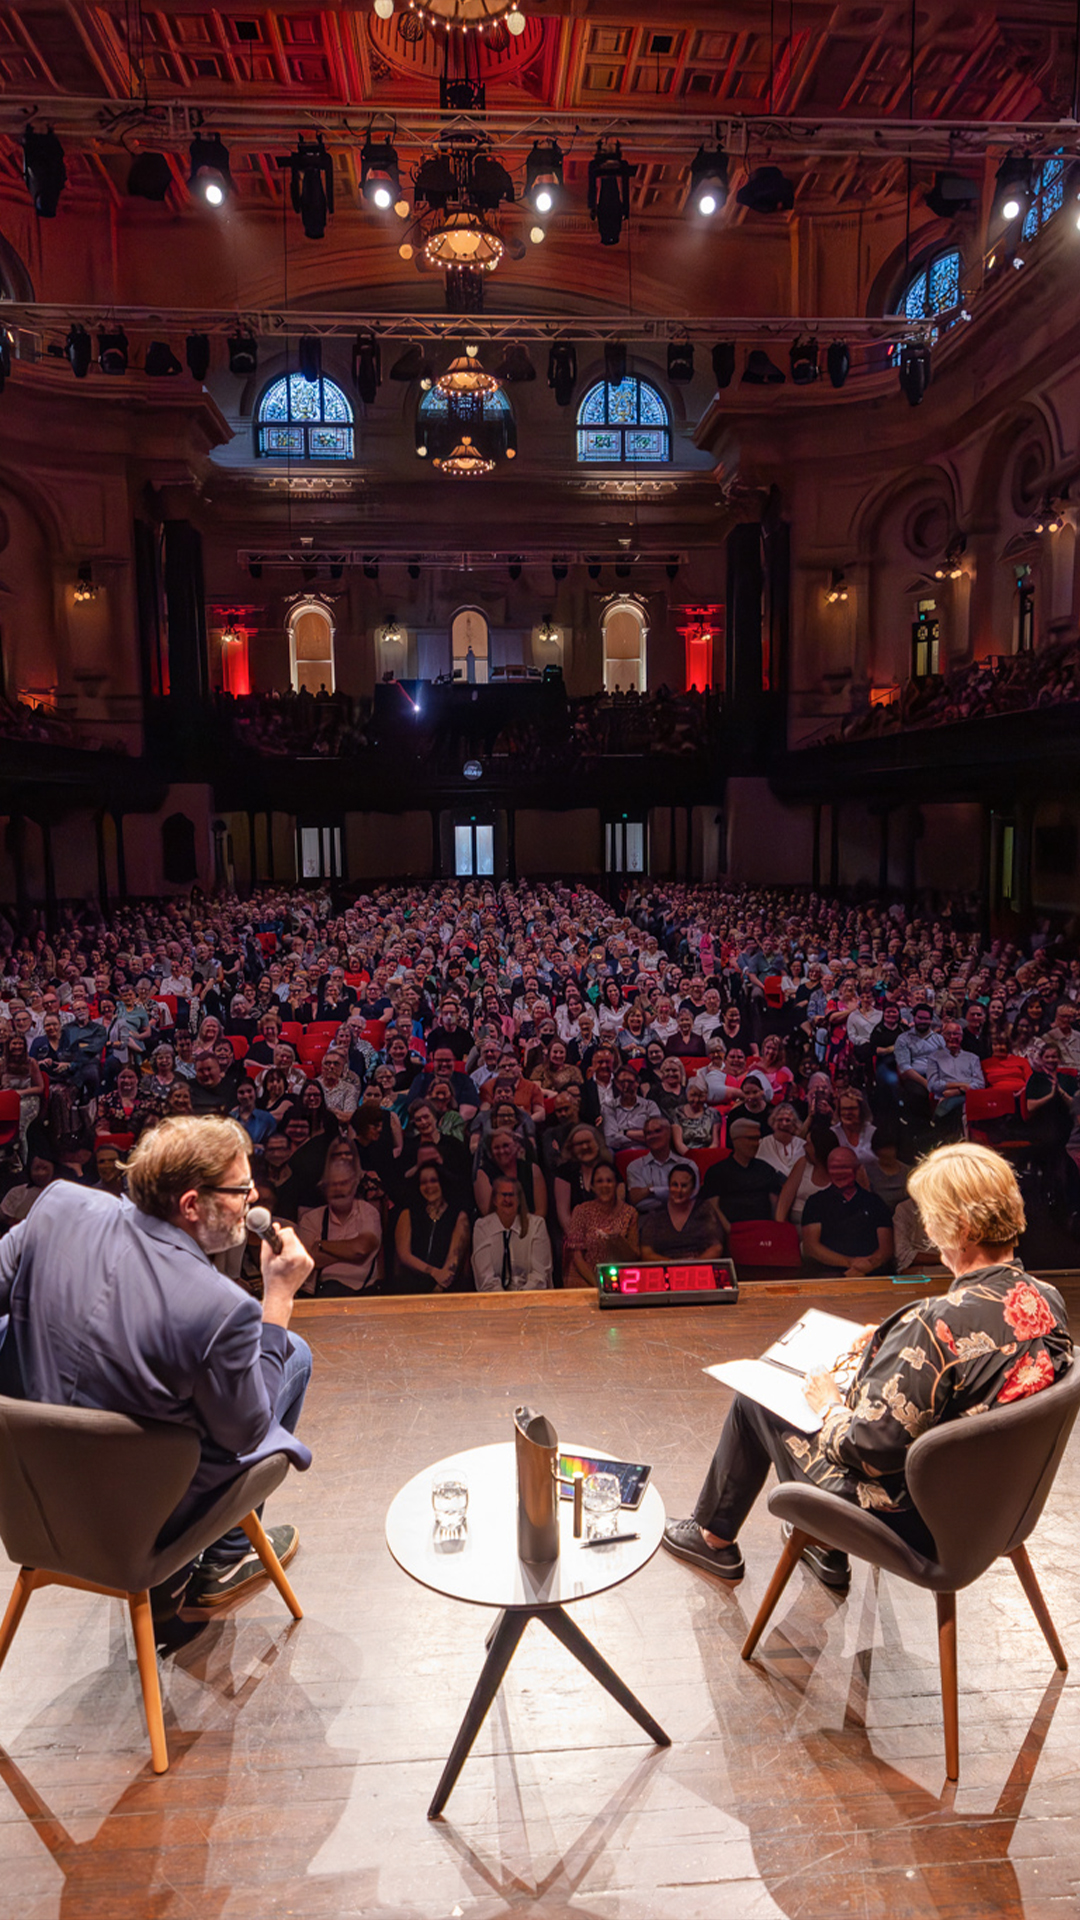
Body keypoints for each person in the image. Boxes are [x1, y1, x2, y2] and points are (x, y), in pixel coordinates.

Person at [662, 1141, 1072, 1588]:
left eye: (930, 1215)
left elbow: (866, 1450)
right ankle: (821, 1547)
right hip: (1000, 1509)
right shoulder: (1045, 1299)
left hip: (915, 1523)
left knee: (755, 1399)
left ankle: (714, 1538)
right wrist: (889, 1340)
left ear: (962, 1227)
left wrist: (830, 1404)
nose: (926, 1228)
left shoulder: (931, 1325)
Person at [0, 1115, 314, 1637]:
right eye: (240, 1189)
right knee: (292, 1353)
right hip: (139, 1518)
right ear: (191, 1205)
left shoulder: (57, 1205)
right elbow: (248, 1434)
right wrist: (277, 1300)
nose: (254, 1196)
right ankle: (227, 1557)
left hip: (29, 1501)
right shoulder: (222, 1309)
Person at [297, 1145, 382, 1296]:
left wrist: (321, 1245)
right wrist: (351, 1251)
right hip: (324, 1294)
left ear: (354, 1186)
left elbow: (361, 1248)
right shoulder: (311, 1219)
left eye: (344, 1183)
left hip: (365, 1294)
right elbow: (309, 1261)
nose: (338, 1190)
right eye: (333, 1184)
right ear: (324, 1189)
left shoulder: (368, 1212)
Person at [800, 1146, 894, 1274]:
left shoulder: (874, 1202)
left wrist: (868, 1266)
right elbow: (811, 1247)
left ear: (856, 1169)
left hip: (871, 1273)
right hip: (829, 1274)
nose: (839, 1172)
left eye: (844, 1167)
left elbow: (886, 1249)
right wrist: (851, 1263)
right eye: (834, 1167)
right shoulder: (815, 1202)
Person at [394, 1161, 471, 1293]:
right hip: (411, 1285)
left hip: (444, 1287)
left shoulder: (459, 1216)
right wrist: (433, 1272)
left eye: (433, 1181)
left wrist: (439, 1285)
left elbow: (454, 1260)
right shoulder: (408, 1214)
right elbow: (404, 1255)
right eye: (423, 1182)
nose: (428, 1186)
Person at [564, 1159, 639, 1288]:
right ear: (592, 1186)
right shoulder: (581, 1211)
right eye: (599, 1181)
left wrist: (617, 1241)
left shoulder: (629, 1213)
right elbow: (576, 1256)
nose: (605, 1185)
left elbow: (634, 1256)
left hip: (619, 1280)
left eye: (609, 1181)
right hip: (584, 1278)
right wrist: (597, 1284)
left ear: (616, 1185)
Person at [471, 1175, 553, 1291]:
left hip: (531, 1299)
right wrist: (505, 1301)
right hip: (495, 1302)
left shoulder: (536, 1226)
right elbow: (485, 1278)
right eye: (503, 1195)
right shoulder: (482, 1227)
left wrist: (519, 1299)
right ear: (494, 1199)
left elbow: (540, 1275)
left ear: (519, 1200)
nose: (507, 1200)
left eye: (511, 1195)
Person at [699, 1119, 783, 1223]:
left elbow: (776, 1209)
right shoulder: (717, 1172)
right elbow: (713, 1209)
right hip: (729, 1230)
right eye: (750, 1139)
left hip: (762, 1230)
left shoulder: (766, 1169)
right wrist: (730, 1231)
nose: (755, 1144)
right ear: (735, 1141)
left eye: (757, 1139)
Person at [640, 1163, 727, 1259]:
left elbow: (716, 1248)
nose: (679, 1190)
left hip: (700, 1266)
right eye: (675, 1185)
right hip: (666, 1268)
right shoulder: (656, 1213)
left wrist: (692, 1267)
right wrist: (674, 1267)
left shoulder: (704, 1209)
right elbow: (646, 1252)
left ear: (693, 1189)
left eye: (684, 1185)